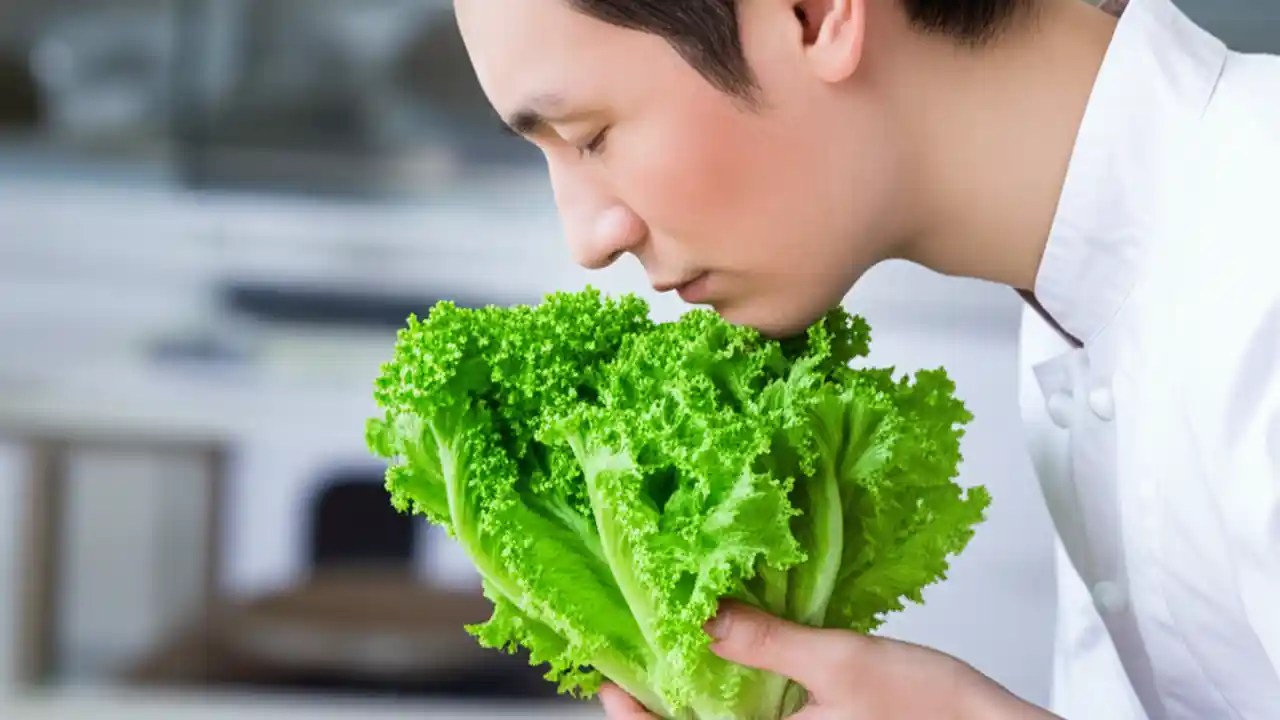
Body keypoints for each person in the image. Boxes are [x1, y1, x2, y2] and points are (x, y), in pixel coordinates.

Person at [450, 0, 1280, 716]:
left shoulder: (1259, 270)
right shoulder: (1082, 296)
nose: (588, 239)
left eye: (589, 137)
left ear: (815, 15)